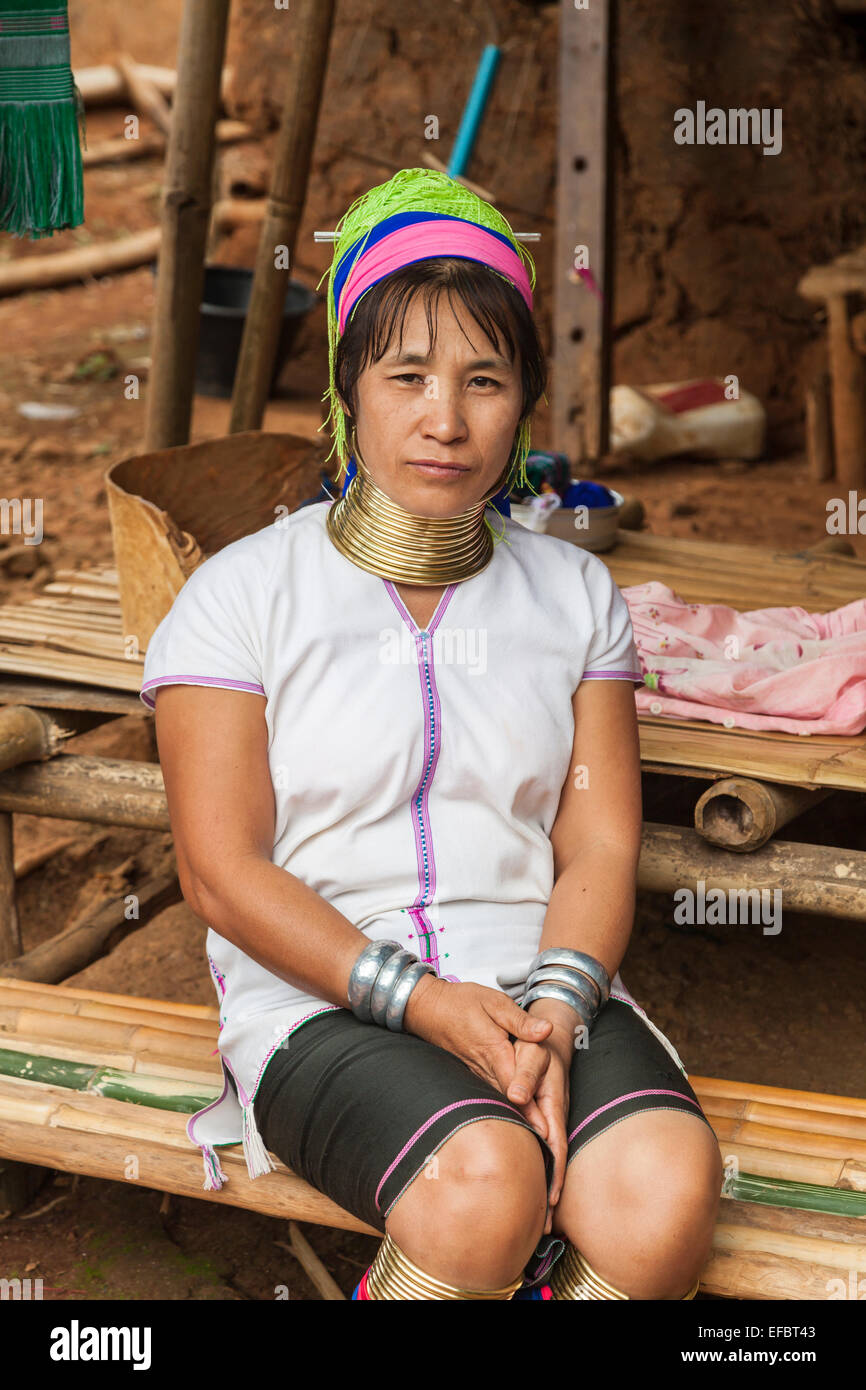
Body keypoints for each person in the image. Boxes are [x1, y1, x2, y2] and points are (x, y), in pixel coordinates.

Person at [140, 167, 722, 1301]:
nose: (444, 419)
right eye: (405, 375)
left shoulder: (572, 598)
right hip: (316, 994)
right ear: (349, 388)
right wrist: (421, 1001)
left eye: (483, 380)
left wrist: (554, 1006)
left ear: (524, 400)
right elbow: (219, 873)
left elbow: (598, 846)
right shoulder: (239, 596)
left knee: (658, 1200)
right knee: (480, 1182)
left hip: (536, 982)